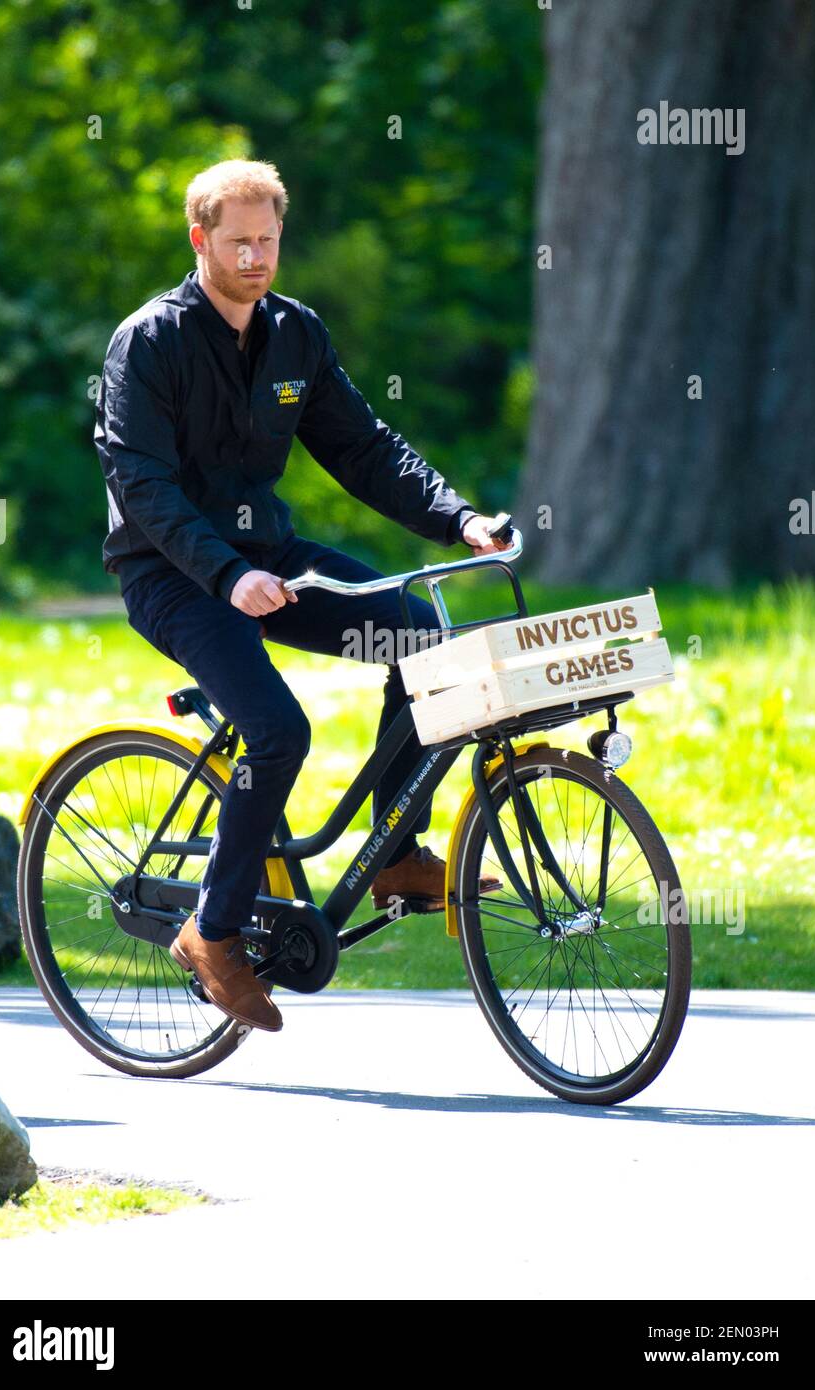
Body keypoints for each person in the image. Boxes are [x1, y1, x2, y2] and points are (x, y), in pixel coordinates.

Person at [94, 158, 505, 1034]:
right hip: (173, 575)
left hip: (269, 558)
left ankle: (397, 854)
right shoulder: (150, 341)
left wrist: (458, 520)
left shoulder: (295, 335)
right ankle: (212, 931)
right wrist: (225, 574)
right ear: (199, 239)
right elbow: (143, 485)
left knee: (423, 637)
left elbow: (365, 448)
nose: (255, 258)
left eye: (268, 241)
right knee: (279, 731)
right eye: (237, 241)